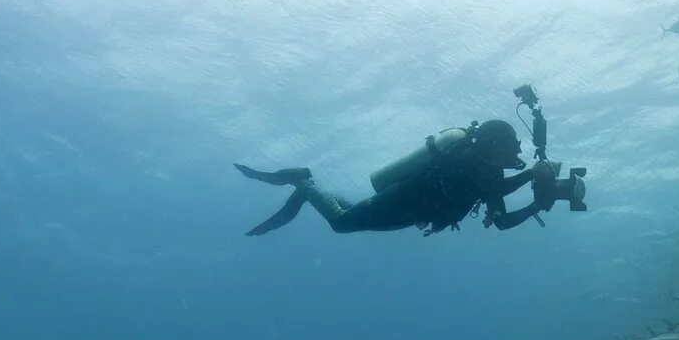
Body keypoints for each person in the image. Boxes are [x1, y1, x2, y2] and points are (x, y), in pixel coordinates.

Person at [234, 118, 582, 237]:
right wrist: (534, 188)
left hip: (408, 211)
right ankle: (306, 182)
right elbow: (496, 192)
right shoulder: (472, 161)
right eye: (510, 145)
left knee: (354, 214)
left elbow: (501, 219)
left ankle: (308, 187)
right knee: (342, 223)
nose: (515, 152)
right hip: (400, 202)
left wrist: (536, 197)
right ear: (494, 144)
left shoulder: (486, 170)